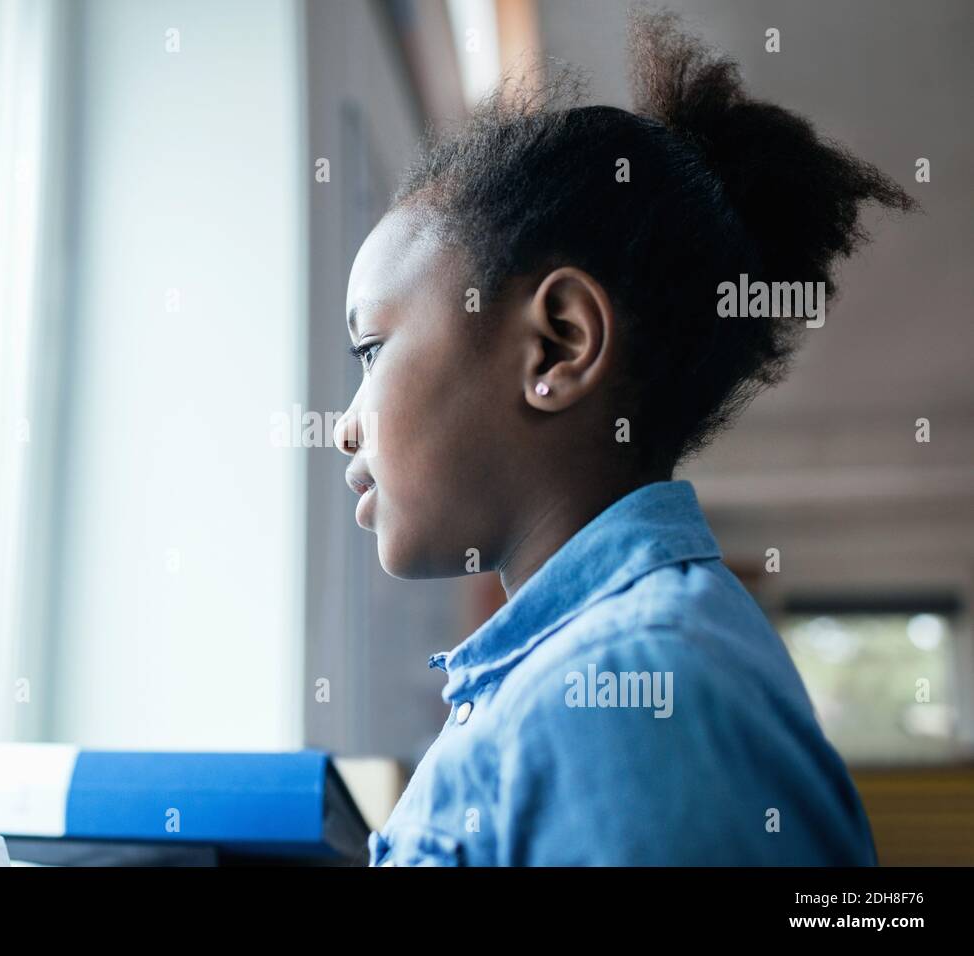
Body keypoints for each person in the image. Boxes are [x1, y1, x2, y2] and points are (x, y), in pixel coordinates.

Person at [333, 10, 913, 865]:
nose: (344, 425)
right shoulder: (591, 677)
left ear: (557, 344)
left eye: (372, 349)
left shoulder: (619, 695)